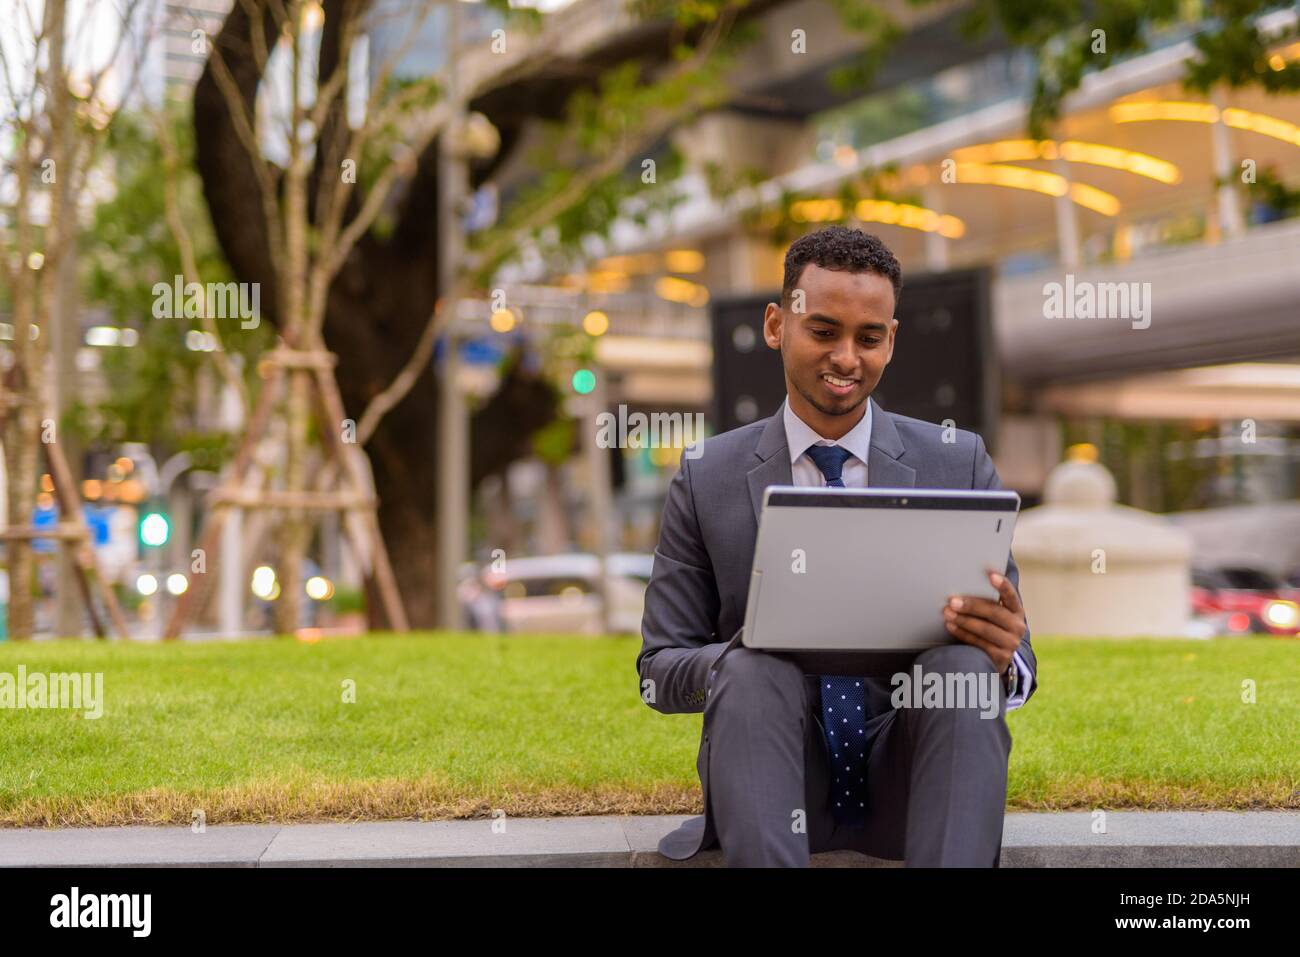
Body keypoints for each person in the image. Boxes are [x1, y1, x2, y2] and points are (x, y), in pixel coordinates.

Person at [636, 225, 1037, 867]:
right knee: (751, 669)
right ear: (777, 325)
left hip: (913, 780)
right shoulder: (706, 474)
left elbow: (1018, 659)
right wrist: (740, 658)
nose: (847, 357)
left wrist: (1004, 653)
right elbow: (658, 672)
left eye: (868, 338)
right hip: (771, 778)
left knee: (961, 671)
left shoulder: (956, 462)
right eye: (823, 332)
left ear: (891, 340)